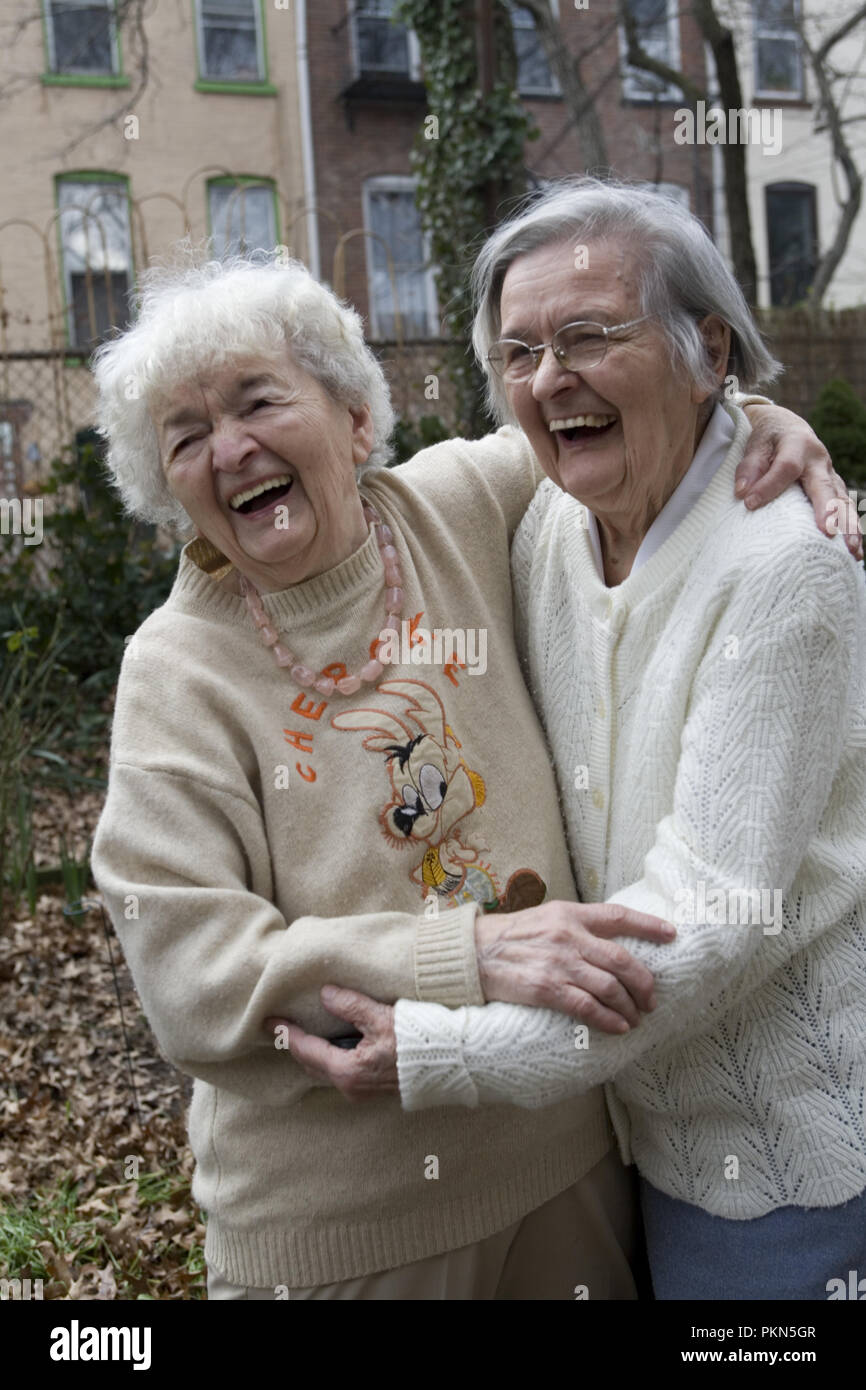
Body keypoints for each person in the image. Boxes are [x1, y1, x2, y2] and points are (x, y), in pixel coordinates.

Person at [90, 236, 851, 1302]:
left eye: (258, 403)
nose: (229, 451)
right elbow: (193, 982)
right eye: (185, 436)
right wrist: (466, 954)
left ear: (356, 418)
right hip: (346, 1230)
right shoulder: (174, 673)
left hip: (572, 1173)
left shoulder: (459, 503)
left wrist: (760, 423)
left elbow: (634, 430)